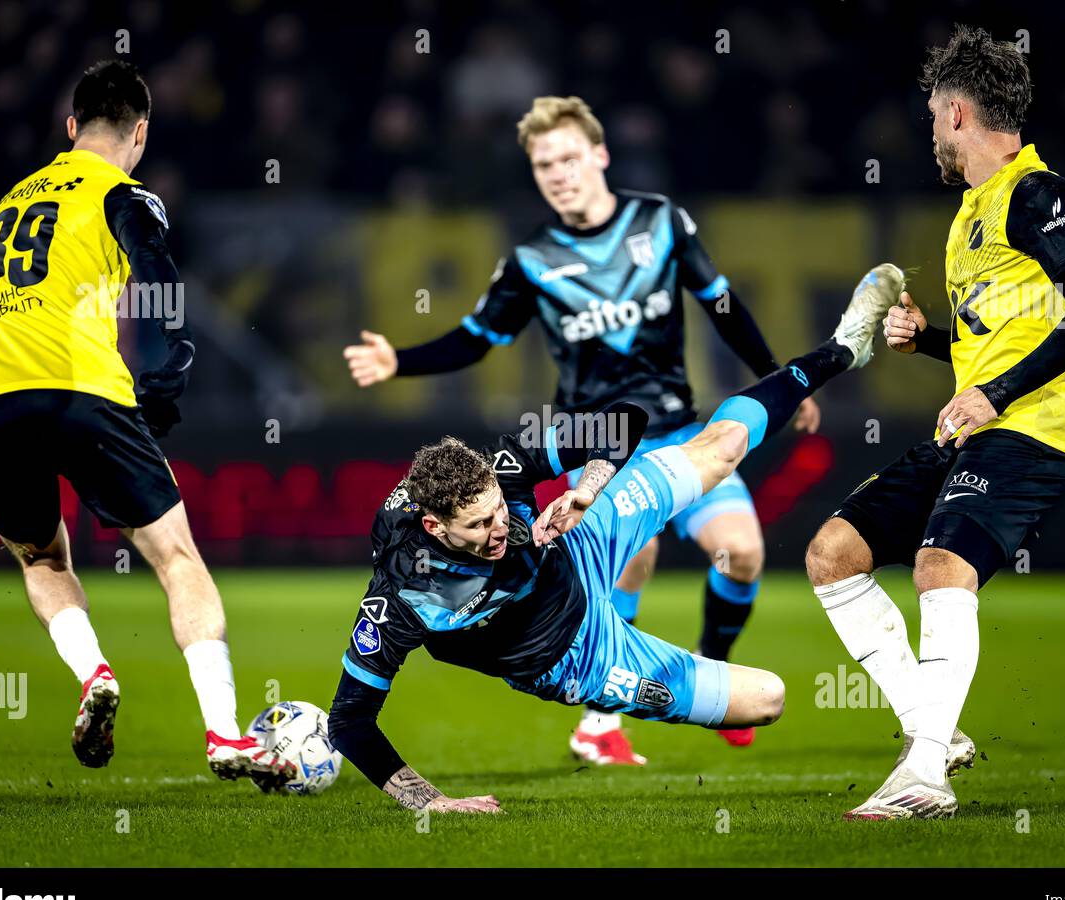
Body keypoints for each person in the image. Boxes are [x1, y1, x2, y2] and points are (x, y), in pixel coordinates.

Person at [343, 96, 820, 763]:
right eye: (544, 165)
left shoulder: (661, 221)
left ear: (599, 154)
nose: (558, 174)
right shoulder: (532, 259)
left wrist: (773, 374)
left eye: (568, 158)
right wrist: (401, 361)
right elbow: (477, 338)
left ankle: (712, 661)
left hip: (674, 426)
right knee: (633, 556)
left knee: (741, 553)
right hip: (594, 440)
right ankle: (601, 719)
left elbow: (721, 305)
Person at [325, 264, 902, 812]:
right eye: (478, 525)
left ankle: (843, 348)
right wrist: (434, 803)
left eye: (499, 510)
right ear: (434, 527)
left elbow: (625, 420)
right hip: (576, 656)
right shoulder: (400, 596)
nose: (499, 527)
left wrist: (587, 490)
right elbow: (349, 722)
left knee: (722, 446)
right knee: (767, 698)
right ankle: (606, 716)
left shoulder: (503, 466)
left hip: (578, 545)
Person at [0, 60, 295, 787]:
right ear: (140, 134)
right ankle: (224, 734)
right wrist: (176, 357)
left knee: (43, 560)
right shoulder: (122, 192)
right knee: (175, 558)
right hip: (78, 387)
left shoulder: (8, 199)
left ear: (71, 126)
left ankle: (94, 672)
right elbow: (156, 267)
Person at [804, 26, 1065, 820]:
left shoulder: (1040, 195)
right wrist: (930, 343)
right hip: (976, 428)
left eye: (933, 117)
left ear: (955, 113)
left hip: (1034, 430)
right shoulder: (973, 214)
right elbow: (1007, 335)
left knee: (941, 566)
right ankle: (934, 731)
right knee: (833, 553)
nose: (932, 135)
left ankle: (923, 777)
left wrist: (996, 394)